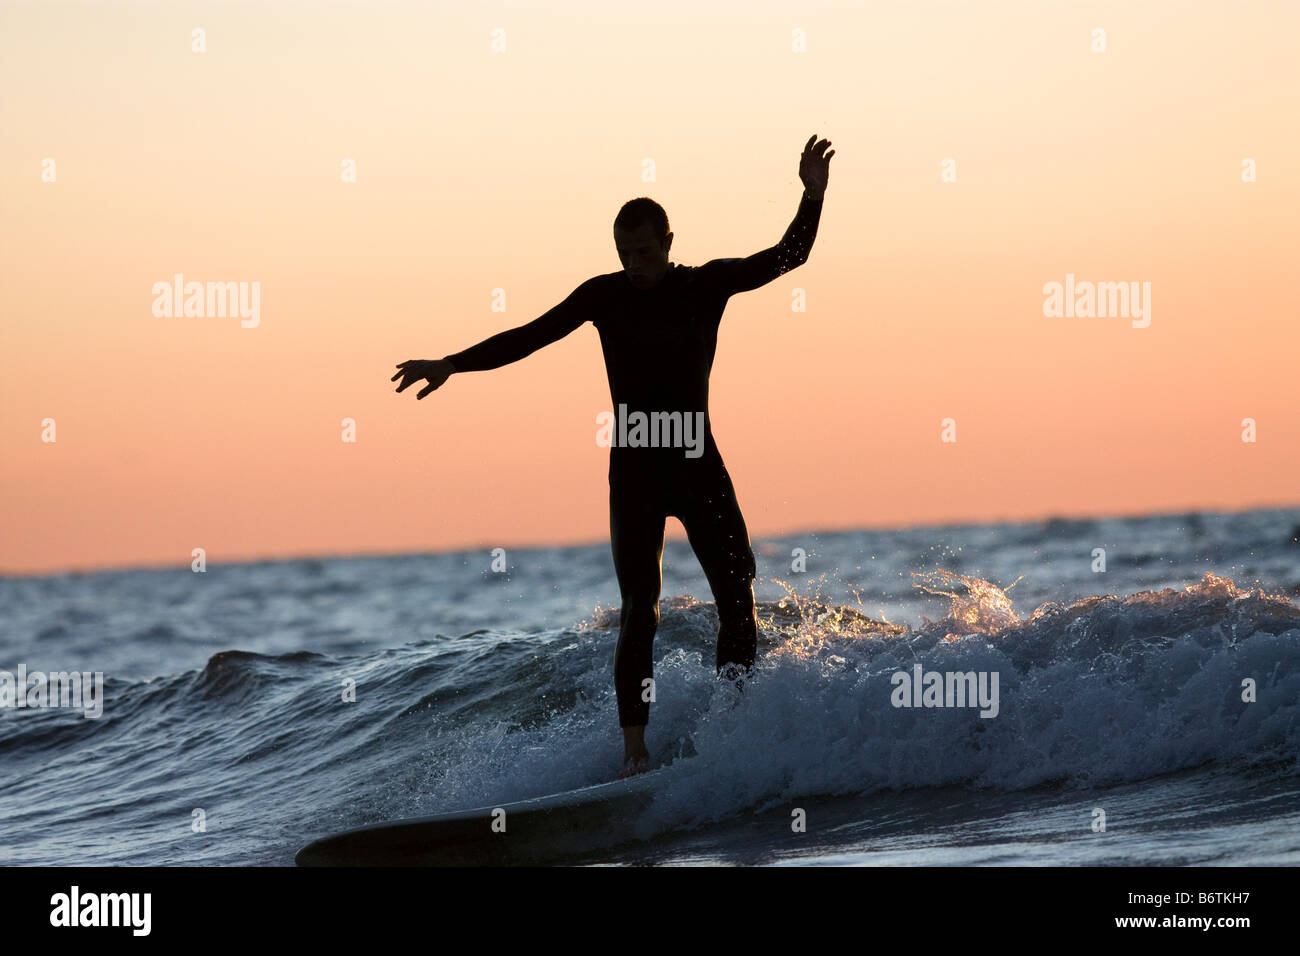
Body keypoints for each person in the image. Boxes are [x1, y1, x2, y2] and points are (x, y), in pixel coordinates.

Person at [393, 134, 833, 778]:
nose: (636, 263)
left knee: (737, 592)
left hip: (695, 458)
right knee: (640, 605)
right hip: (636, 471)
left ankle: (733, 729)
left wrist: (811, 195)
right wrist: (454, 363)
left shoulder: (705, 285)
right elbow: (532, 334)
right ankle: (635, 754)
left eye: (646, 250)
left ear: (669, 242)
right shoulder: (604, 295)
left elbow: (787, 256)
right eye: (626, 254)